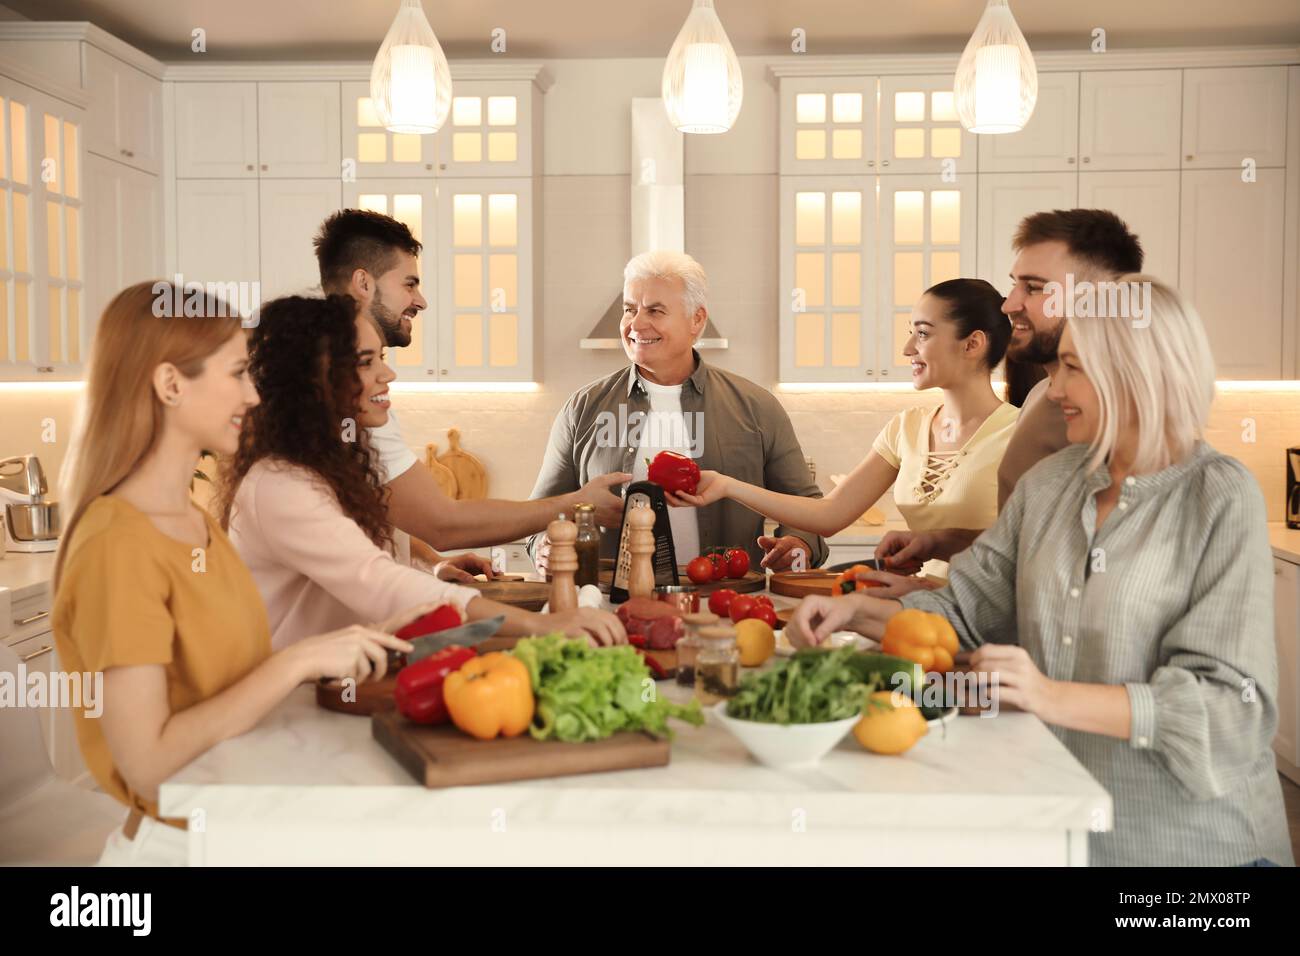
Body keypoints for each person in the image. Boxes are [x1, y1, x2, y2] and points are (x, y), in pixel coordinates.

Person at [788, 277, 1294, 867]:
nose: (1053, 392)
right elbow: (966, 609)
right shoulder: (1050, 484)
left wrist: (1049, 696)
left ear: (1136, 374)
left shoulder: (1217, 494)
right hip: (1062, 829)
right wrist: (858, 613)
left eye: (1072, 369)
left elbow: (1228, 705)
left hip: (1190, 851)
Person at [51, 281, 413, 865]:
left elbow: (226, 692)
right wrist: (299, 660)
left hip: (242, 819)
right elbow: (147, 763)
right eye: (237, 374)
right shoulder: (117, 545)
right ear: (171, 384)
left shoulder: (193, 525)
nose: (252, 394)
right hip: (184, 846)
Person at [219, 294, 625, 650]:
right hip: (293, 708)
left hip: (341, 682)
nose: (387, 373)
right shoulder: (280, 484)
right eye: (365, 362)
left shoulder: (337, 459)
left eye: (381, 357)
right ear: (310, 381)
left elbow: (360, 551)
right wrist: (542, 625)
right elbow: (376, 581)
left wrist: (427, 566)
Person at [313, 210, 631, 565]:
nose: (420, 300)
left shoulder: (339, 376)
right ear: (364, 283)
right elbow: (442, 524)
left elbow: (375, 510)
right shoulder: (347, 392)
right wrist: (575, 504)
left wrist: (433, 563)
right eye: (409, 283)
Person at [668, 279, 1016, 584]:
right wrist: (727, 485)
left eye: (923, 333)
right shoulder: (906, 428)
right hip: (920, 608)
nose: (907, 348)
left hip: (988, 614)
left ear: (972, 344)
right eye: (910, 332)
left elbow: (1027, 545)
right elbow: (829, 516)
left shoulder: (1018, 432)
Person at [870, 209, 1144, 595]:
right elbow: (1033, 542)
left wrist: (932, 602)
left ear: (1094, 300)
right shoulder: (1038, 397)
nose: (1009, 304)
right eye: (1015, 285)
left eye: (1033, 288)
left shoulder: (1117, 420)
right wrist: (943, 543)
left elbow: (1103, 573)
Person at [526, 250, 828, 573]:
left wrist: (797, 543)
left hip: (725, 607)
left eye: (655, 311)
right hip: (605, 609)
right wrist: (544, 545)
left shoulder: (758, 409)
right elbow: (538, 518)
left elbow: (809, 510)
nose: (636, 324)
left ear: (696, 320)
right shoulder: (581, 410)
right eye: (629, 309)